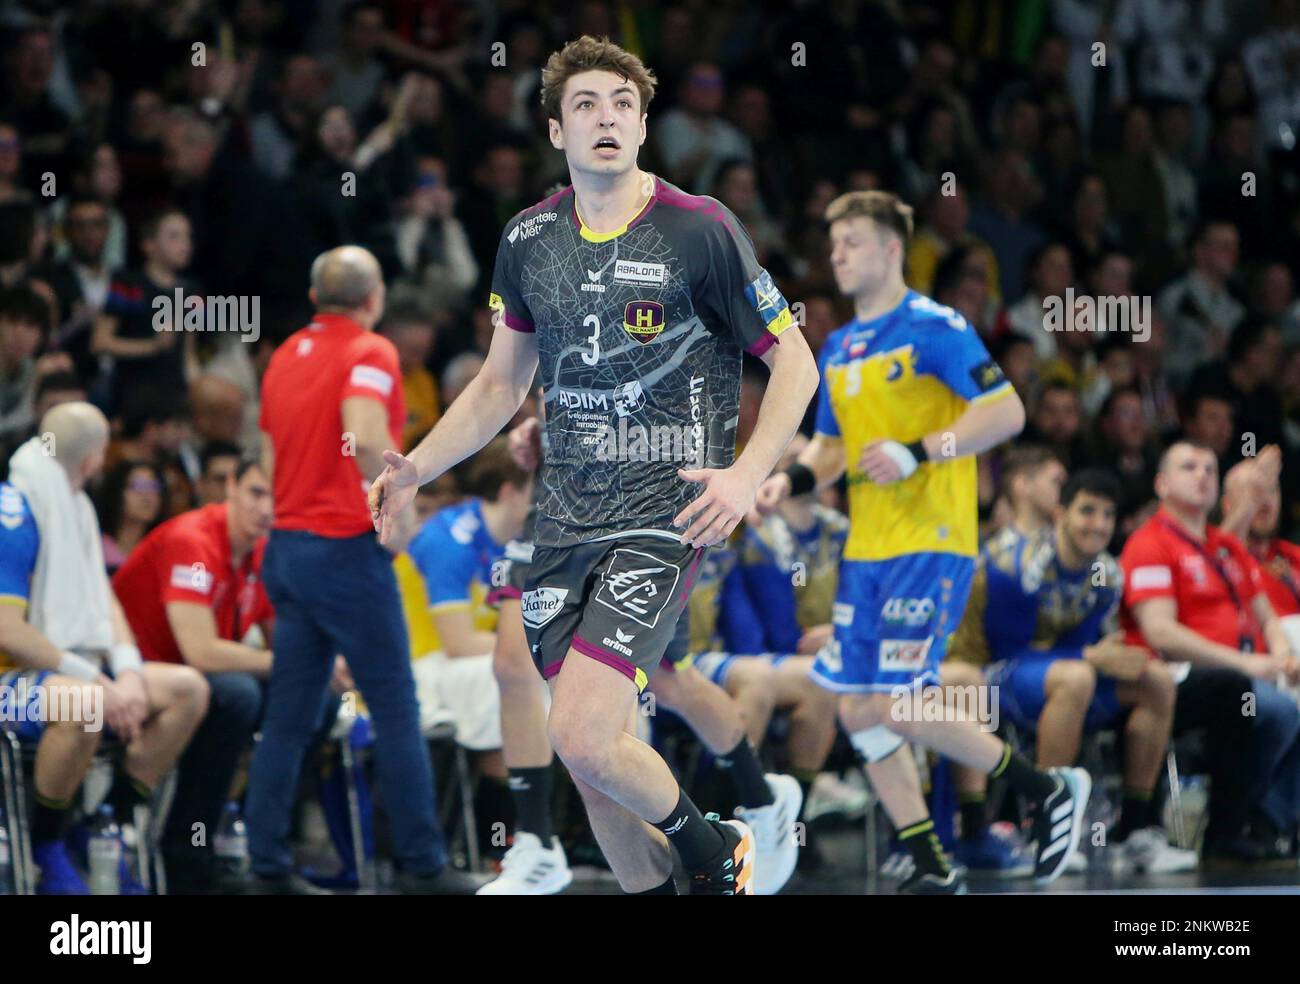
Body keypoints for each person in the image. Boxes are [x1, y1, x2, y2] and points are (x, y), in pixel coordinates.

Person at [370, 36, 819, 896]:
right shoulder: (528, 237)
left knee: (577, 735)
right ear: (555, 130)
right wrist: (419, 467)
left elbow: (796, 363)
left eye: (621, 103)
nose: (605, 117)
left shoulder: (701, 227)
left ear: (645, 126)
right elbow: (502, 383)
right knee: (593, 765)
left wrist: (744, 474)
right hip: (563, 520)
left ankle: (711, 843)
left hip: (663, 514)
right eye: (585, 105)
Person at [753, 189, 1089, 894]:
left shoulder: (935, 327)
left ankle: (1047, 790)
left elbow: (1006, 411)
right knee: (855, 706)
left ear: (890, 249)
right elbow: (831, 449)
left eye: (850, 242)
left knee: (901, 704)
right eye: (832, 243)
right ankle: (933, 864)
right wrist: (789, 482)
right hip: (868, 552)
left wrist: (920, 449)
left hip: (931, 542)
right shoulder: (840, 346)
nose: (836, 255)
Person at [252, 245, 480, 895]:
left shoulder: (282, 355)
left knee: (290, 715)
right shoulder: (371, 352)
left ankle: (267, 864)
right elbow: (360, 426)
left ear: (314, 294)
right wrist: (391, 508)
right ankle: (423, 865)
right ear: (374, 298)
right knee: (395, 707)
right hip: (343, 549)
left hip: (288, 549)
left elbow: (269, 455)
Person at [0, 403, 208, 893]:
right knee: (86, 702)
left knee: (188, 691)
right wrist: (95, 679)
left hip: (63, 671)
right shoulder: (14, 511)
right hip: (6, 682)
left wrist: (130, 672)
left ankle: (99, 821)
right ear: (95, 458)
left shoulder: (76, 504)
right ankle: (46, 845)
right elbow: (6, 630)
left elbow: (102, 600)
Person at [949, 469, 1195, 873]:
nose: (1098, 525)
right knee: (1076, 677)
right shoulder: (1019, 564)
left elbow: (1094, 647)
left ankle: (1133, 832)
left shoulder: (1107, 574)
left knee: (1156, 681)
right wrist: (1091, 656)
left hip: (1066, 674)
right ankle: (1047, 825)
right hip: (996, 677)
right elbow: (1014, 648)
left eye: (1107, 515)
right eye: (1087, 511)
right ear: (1061, 512)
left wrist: (1117, 656)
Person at [1120, 440, 1300, 863]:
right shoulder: (1150, 542)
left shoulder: (1226, 547)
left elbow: (1267, 615)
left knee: (1258, 695)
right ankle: (1227, 828)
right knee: (1255, 700)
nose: (1202, 474)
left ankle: (1262, 822)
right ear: (1161, 484)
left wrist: (1280, 655)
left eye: (1208, 469)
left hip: (1240, 675)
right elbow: (1160, 633)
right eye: (1188, 467)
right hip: (1171, 679)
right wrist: (1247, 663)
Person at [112, 455, 276, 893]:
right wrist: (290, 663)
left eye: (276, 498)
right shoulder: (193, 540)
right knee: (239, 696)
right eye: (257, 493)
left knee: (308, 699)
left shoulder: (263, 552)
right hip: (129, 672)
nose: (266, 509)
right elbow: (200, 652)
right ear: (231, 486)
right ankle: (186, 848)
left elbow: (286, 639)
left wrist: (316, 665)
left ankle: (267, 851)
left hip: (195, 678)